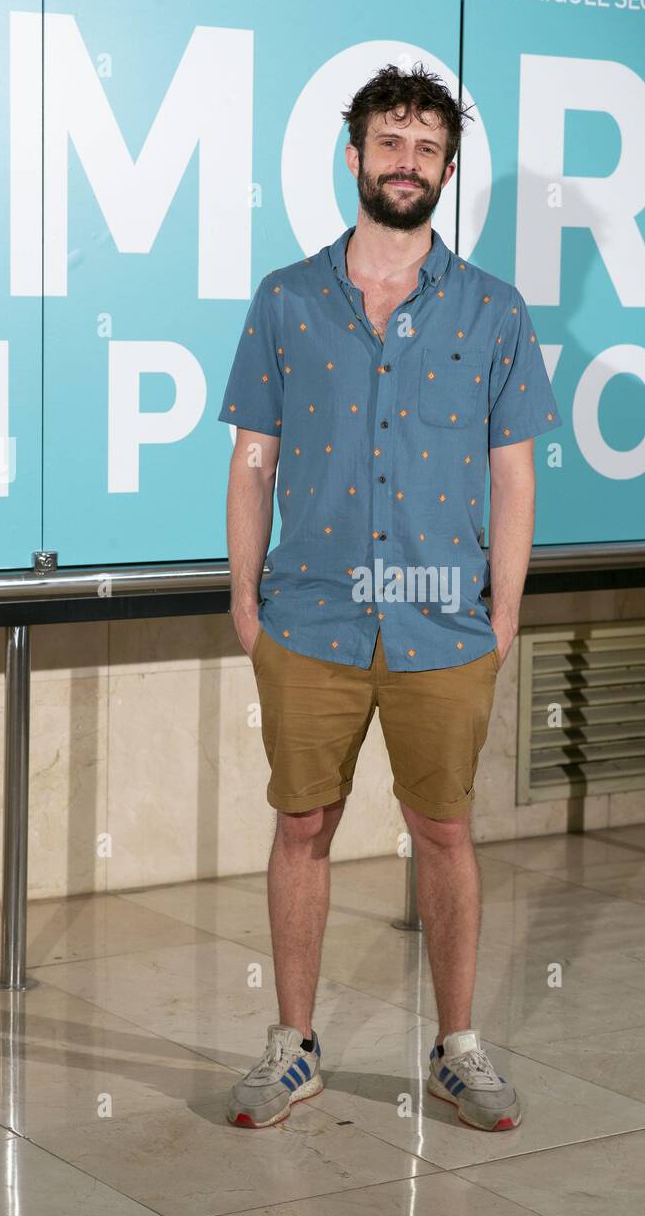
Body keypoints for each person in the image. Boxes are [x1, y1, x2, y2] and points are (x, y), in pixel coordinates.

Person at [217, 64, 561, 1132]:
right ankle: (293, 1044)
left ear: (447, 169)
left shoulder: (495, 311)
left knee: (444, 831)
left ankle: (457, 1048)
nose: (404, 161)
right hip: (308, 621)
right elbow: (252, 461)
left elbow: (514, 475)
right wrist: (245, 603)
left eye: (425, 145)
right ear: (354, 155)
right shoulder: (285, 298)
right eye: (388, 140)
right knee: (302, 825)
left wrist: (501, 617)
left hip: (445, 625)